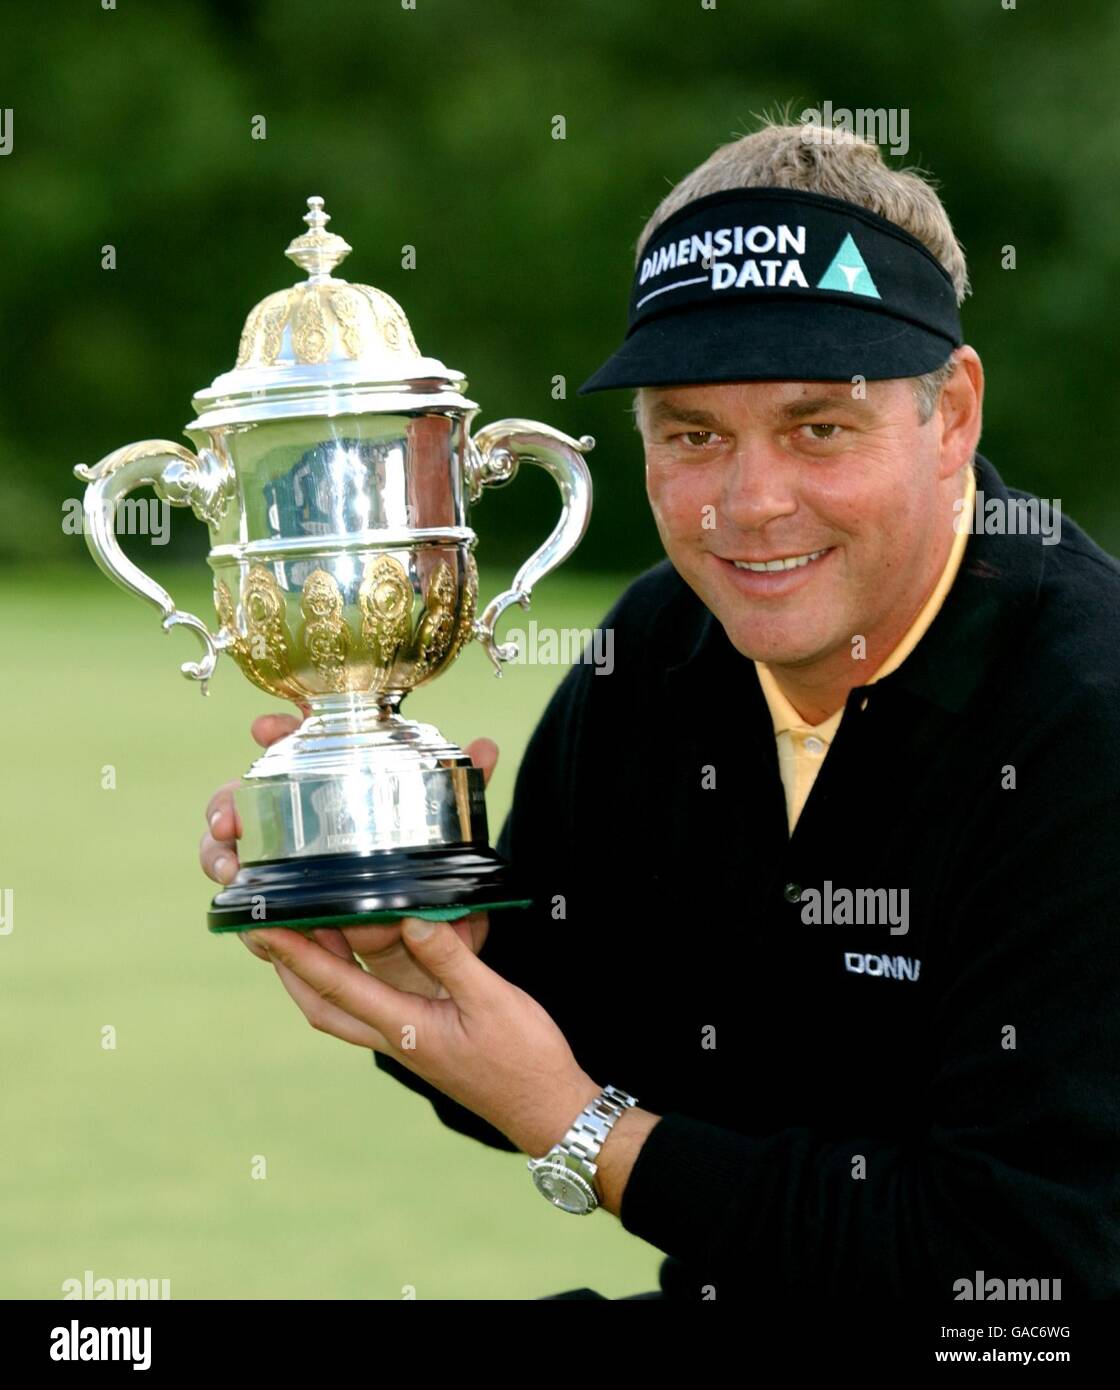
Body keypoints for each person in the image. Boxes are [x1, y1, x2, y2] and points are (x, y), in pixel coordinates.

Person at [199, 121, 1120, 1300]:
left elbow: (1024, 1272)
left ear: (950, 416)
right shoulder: (661, 646)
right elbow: (566, 1027)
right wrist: (415, 947)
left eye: (817, 427)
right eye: (692, 434)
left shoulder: (1083, 720)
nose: (749, 505)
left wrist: (587, 1133)